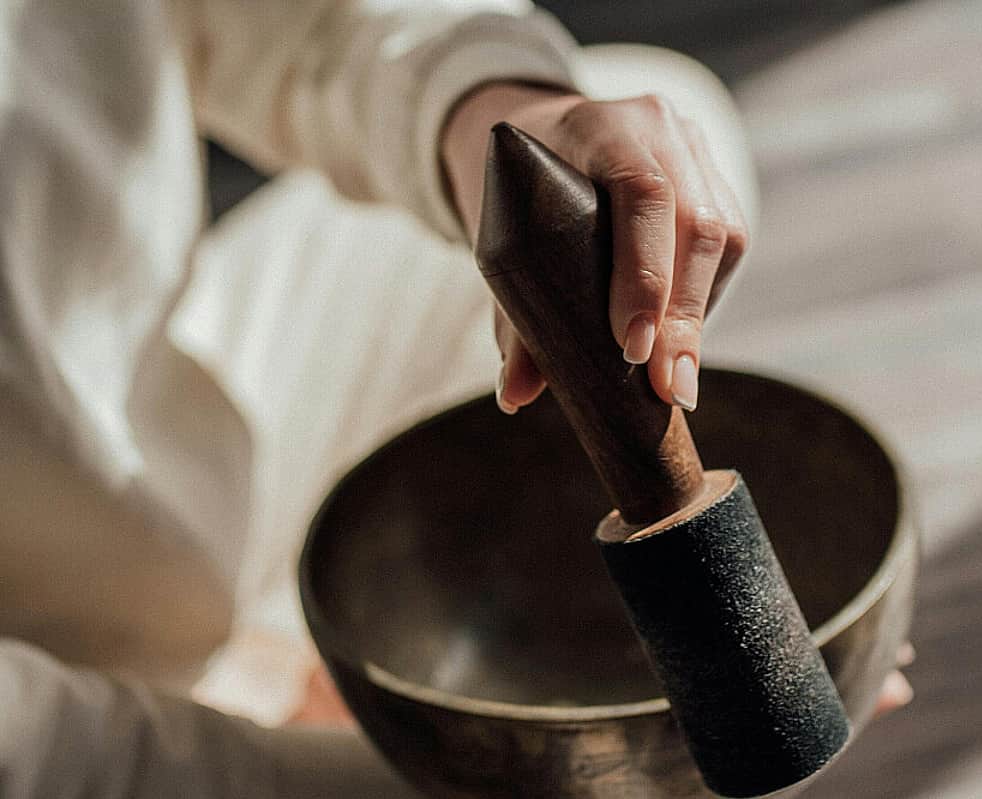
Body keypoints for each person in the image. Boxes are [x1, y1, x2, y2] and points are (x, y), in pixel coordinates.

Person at [0, 1, 907, 795]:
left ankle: (258, 667)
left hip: (137, 443)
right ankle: (238, 691)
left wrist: (496, 108)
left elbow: (304, 23)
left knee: (655, 152)